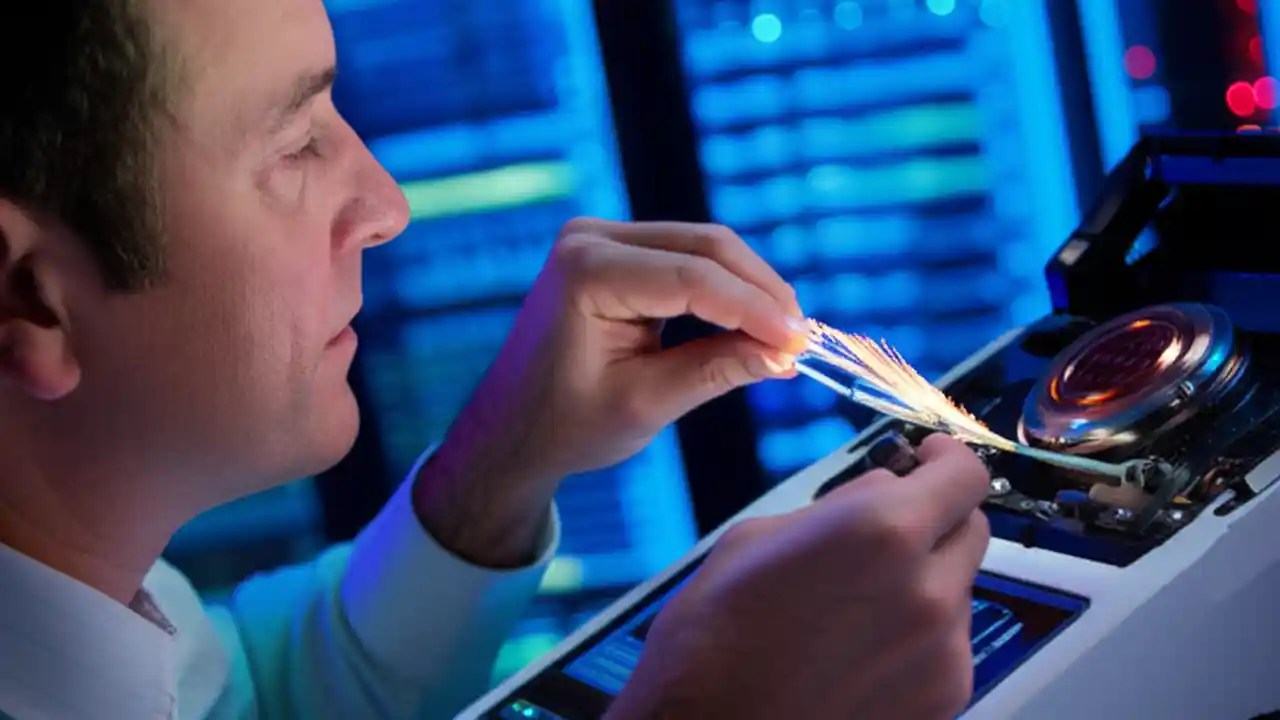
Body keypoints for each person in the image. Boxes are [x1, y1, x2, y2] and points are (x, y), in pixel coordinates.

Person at [0, 1, 992, 719]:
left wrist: (502, 461)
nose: (386, 207)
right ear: (30, 298)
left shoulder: (99, 599)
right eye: (298, 144)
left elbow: (253, 695)